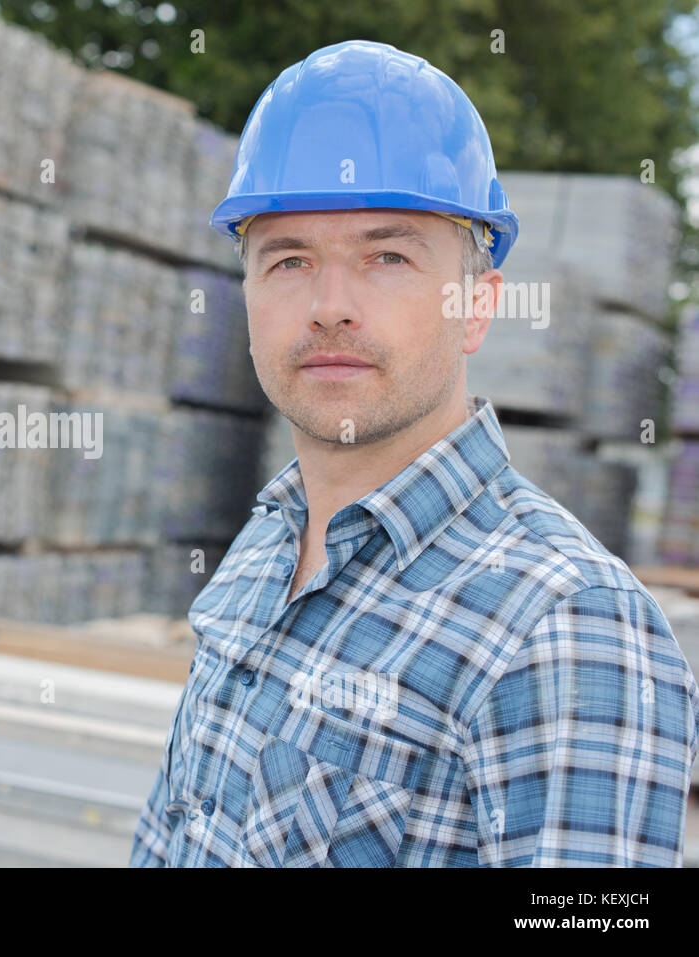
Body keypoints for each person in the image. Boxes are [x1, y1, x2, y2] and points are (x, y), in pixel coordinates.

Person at [130, 39, 699, 867]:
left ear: (475, 305)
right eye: (288, 260)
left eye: (386, 257)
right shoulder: (264, 549)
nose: (329, 306)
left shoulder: (567, 627)